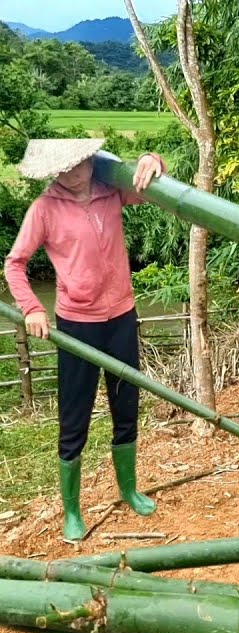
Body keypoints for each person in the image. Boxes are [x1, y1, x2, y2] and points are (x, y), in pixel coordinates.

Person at [4, 139, 167, 541]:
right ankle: (72, 511)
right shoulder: (44, 209)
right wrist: (32, 308)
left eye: (82, 162)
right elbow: (15, 264)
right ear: (55, 172)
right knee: (74, 418)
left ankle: (129, 489)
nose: (78, 170)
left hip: (122, 317)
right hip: (78, 323)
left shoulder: (110, 191)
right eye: (68, 166)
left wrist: (152, 159)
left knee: (126, 406)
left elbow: (152, 186)